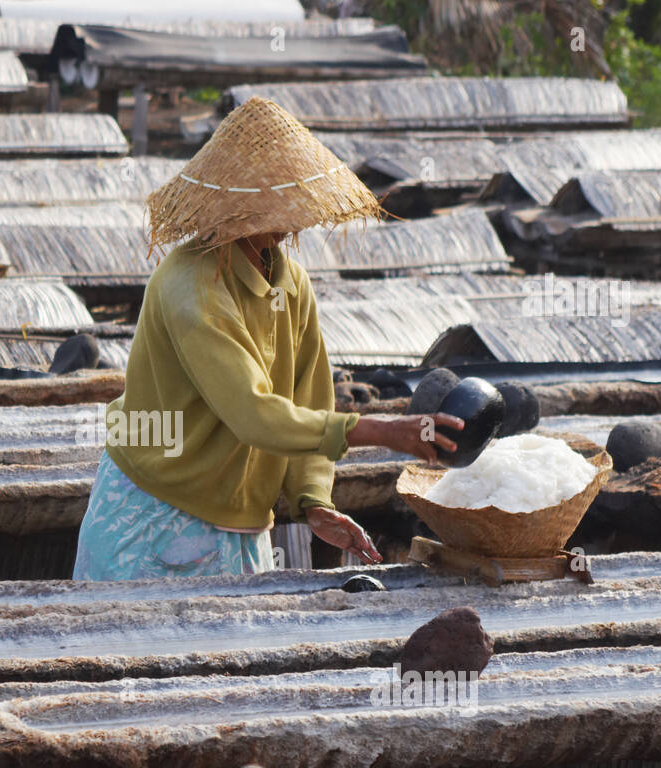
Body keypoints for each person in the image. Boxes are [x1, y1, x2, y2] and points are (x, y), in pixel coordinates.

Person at [73, 96, 462, 581]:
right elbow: (253, 414)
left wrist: (313, 500)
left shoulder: (290, 283)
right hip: (152, 510)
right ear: (243, 206)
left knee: (237, 655)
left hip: (238, 521)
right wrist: (383, 431)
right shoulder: (190, 286)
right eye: (282, 201)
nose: (296, 215)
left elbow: (307, 397)